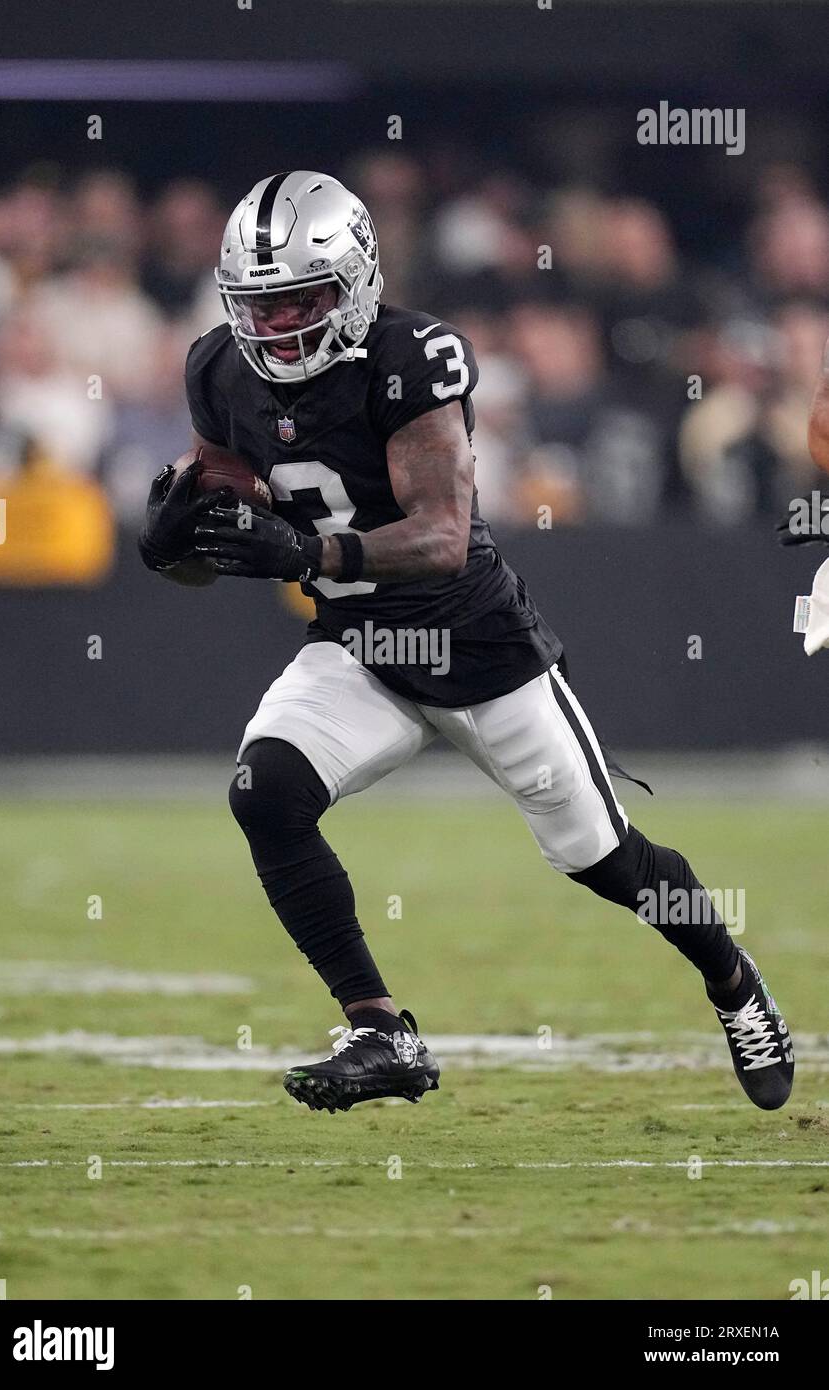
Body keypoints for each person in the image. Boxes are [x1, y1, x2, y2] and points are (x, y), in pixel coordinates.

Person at [139, 171, 794, 1114]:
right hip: (360, 648)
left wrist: (309, 548)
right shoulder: (218, 370)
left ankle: (734, 981)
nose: (280, 326)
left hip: (481, 651)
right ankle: (380, 1029)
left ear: (357, 281)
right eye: (261, 304)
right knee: (266, 793)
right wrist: (171, 545)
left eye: (302, 300)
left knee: (607, 860)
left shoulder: (411, 357)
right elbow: (215, 529)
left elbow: (443, 534)